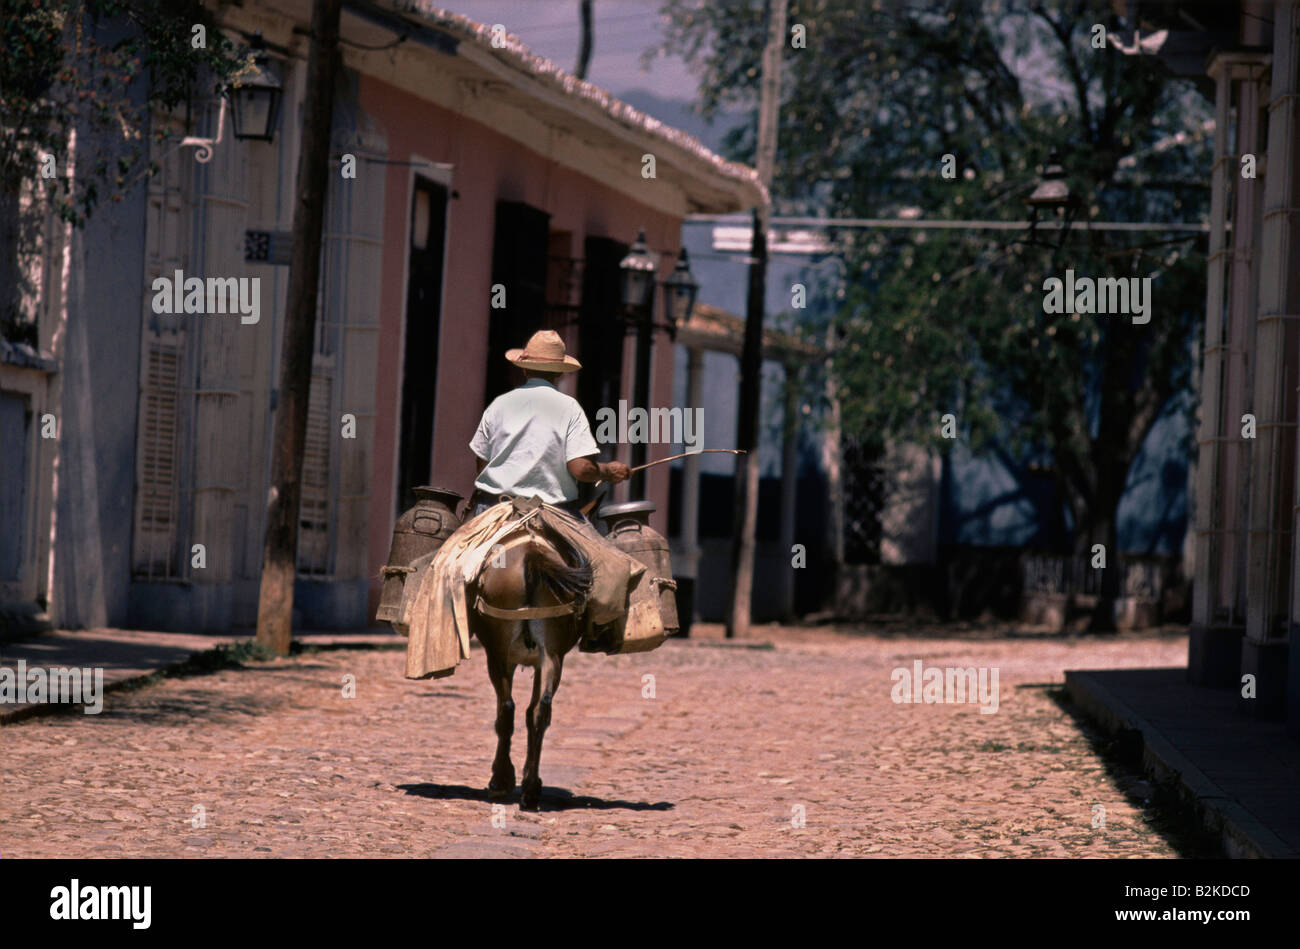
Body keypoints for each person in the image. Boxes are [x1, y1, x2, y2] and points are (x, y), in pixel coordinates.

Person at [468, 329, 629, 518]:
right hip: (550, 513)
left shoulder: (499, 404)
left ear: (524, 368)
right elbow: (582, 468)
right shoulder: (569, 407)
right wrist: (607, 471)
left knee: (455, 546)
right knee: (598, 547)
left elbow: (482, 465)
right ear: (559, 372)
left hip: (491, 509)